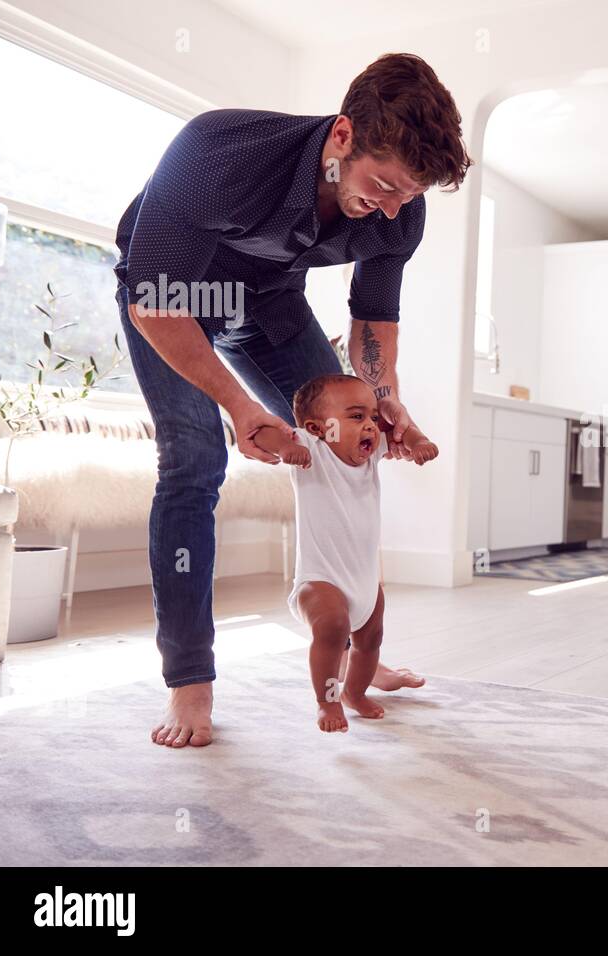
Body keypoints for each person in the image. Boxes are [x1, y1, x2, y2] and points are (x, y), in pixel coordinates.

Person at [113, 53, 472, 747]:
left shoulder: (400, 211)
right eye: (384, 186)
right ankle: (190, 682)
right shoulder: (217, 154)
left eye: (410, 194)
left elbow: (372, 323)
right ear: (341, 138)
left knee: (353, 447)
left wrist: (383, 399)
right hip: (173, 298)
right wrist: (239, 406)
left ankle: (355, 657)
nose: (396, 209)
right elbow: (155, 303)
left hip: (270, 303)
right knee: (194, 456)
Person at [253, 373, 435, 732]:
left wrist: (418, 440)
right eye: (356, 417)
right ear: (318, 428)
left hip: (366, 583)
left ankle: (355, 692)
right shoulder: (312, 448)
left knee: (371, 640)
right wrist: (284, 447)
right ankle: (327, 700)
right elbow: (262, 432)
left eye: (370, 417)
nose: (369, 425)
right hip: (320, 581)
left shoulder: (371, 454)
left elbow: (401, 429)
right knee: (333, 628)